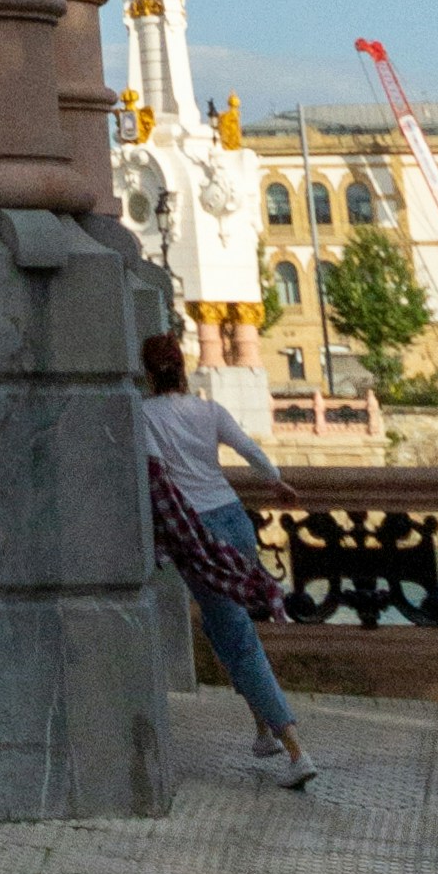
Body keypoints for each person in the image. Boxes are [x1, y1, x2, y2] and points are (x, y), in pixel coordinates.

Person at [136, 331, 317, 788]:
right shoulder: (209, 410)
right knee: (228, 627)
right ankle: (263, 732)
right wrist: (276, 480)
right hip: (235, 519)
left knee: (236, 635)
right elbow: (249, 449)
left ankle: (296, 750)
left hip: (197, 535)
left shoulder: (145, 415)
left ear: (147, 373)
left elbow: (157, 475)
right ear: (182, 367)